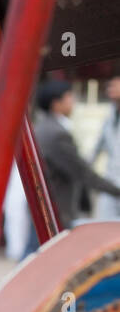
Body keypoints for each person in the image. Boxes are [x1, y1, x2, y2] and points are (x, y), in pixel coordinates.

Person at [32, 80, 120, 230]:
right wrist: (115, 190)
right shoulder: (56, 133)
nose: (73, 102)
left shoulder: (45, 127)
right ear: (56, 103)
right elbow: (82, 170)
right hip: (56, 205)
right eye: (69, 97)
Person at [89, 75, 120, 220]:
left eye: (115, 85)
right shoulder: (110, 116)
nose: (110, 89)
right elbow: (97, 148)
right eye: (109, 86)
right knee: (105, 226)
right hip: (111, 183)